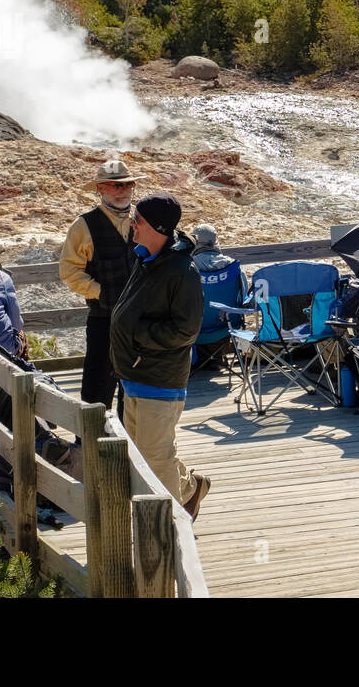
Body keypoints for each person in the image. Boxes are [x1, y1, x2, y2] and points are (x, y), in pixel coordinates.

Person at [109, 193, 212, 519]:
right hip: (133, 374)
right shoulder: (147, 259)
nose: (132, 224)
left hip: (159, 378)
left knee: (156, 456)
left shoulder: (183, 272)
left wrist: (137, 335)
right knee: (140, 455)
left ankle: (168, 524)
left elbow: (186, 331)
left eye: (137, 219)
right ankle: (191, 489)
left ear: (156, 227)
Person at [59, 159, 143, 413]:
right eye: (114, 186)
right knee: (97, 386)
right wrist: (101, 293)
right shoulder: (83, 225)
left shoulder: (144, 220)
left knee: (136, 385)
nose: (122, 191)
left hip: (142, 319)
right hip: (103, 317)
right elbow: (69, 271)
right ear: (100, 189)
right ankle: (89, 444)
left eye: (126, 185)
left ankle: (132, 443)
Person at [191, 223, 250, 373]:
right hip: (228, 326)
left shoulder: (189, 267)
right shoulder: (233, 267)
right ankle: (241, 358)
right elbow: (245, 300)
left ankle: (198, 360)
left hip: (194, 330)